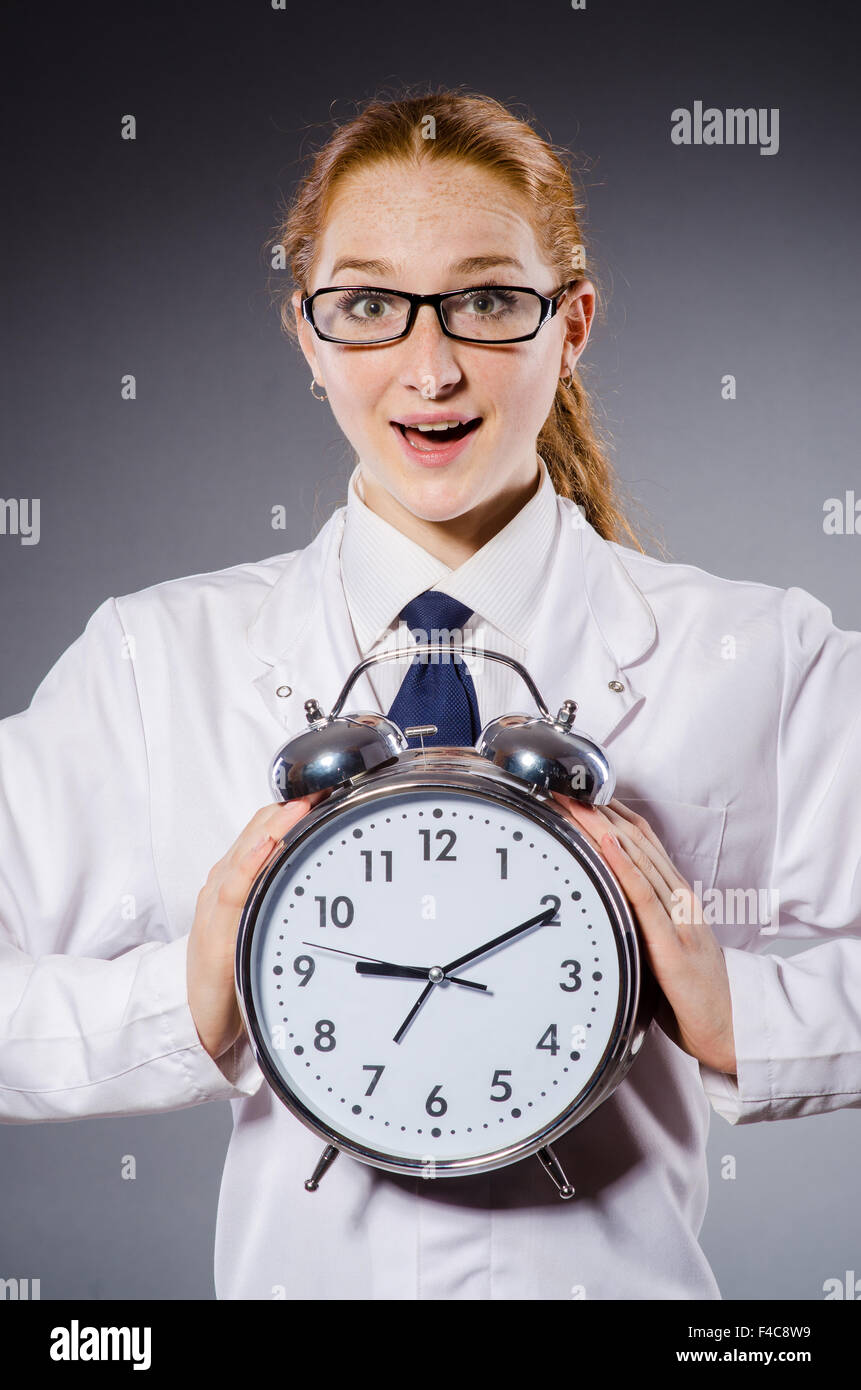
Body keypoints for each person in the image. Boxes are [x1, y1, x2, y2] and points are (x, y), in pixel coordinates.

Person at [1, 88, 859, 1301]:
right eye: (367, 306)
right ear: (308, 333)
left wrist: (745, 1018)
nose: (431, 365)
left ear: (573, 324)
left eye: (490, 302)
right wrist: (182, 1002)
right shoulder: (158, 660)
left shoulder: (757, 652)